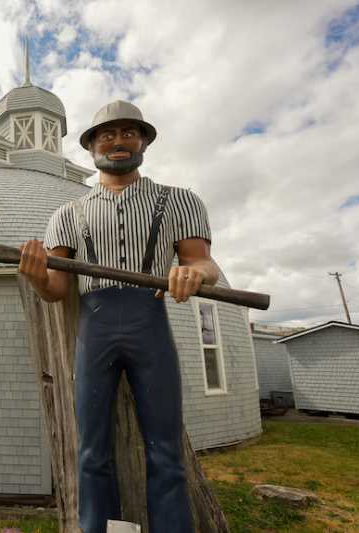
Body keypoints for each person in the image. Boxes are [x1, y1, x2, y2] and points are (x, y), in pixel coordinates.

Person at [18, 100, 220, 533]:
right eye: (106, 135)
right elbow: (56, 290)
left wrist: (192, 273)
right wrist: (37, 278)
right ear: (91, 147)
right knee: (92, 451)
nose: (118, 141)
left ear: (143, 140)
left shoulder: (178, 200)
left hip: (151, 322)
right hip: (96, 325)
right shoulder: (67, 214)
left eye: (128, 132)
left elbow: (204, 264)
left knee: (165, 450)